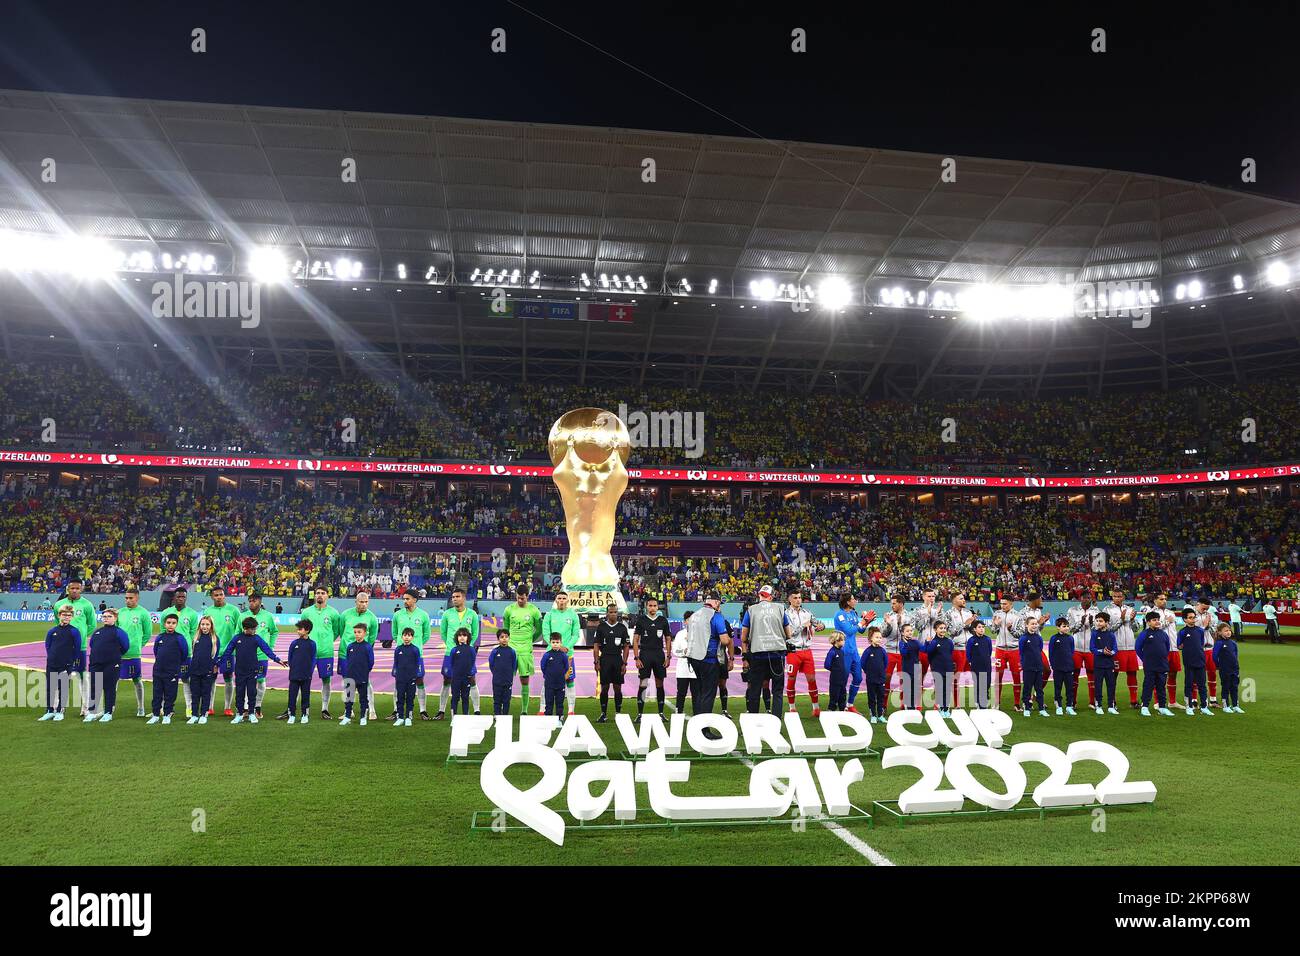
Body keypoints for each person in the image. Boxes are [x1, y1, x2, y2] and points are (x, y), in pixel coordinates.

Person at [683, 593, 732, 735]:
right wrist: (728, 638)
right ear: (716, 602)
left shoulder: (695, 615)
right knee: (708, 694)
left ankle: (697, 725)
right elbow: (724, 640)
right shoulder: (716, 616)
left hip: (694, 658)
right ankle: (704, 730)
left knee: (699, 692)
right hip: (709, 659)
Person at [222, 617, 286, 723]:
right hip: (240, 671)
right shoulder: (237, 638)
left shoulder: (256, 638)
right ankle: (239, 714)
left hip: (252, 670)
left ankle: (251, 713)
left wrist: (278, 660)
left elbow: (267, 650)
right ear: (246, 628)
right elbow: (227, 652)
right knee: (240, 693)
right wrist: (218, 664)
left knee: (252, 692)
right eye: (253, 629)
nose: (255, 631)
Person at [740, 585, 790, 717]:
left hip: (758, 655)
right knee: (777, 692)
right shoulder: (780, 608)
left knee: (755, 691)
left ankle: (752, 722)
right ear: (771, 596)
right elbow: (789, 634)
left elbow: (743, 637)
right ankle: (776, 721)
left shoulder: (751, 610)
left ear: (759, 595)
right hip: (777, 654)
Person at [53, 578, 96, 717]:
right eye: (72, 588)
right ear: (68, 589)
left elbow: (92, 625)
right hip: (63, 647)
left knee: (82, 676)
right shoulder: (59, 604)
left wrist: (80, 638)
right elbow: (57, 623)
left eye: (77, 588)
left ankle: (85, 707)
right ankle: (60, 707)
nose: (74, 591)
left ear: (81, 589)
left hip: (80, 648)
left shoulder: (87, 605)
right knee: (62, 676)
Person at [301, 586, 344, 720]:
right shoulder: (306, 612)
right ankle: (305, 709)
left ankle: (325, 709)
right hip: (308, 653)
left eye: (323, 593)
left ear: (327, 596)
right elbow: (302, 630)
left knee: (326, 680)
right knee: (304, 680)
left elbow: (337, 631)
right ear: (314, 596)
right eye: (317, 593)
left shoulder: (334, 613)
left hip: (326, 652)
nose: (320, 595)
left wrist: (327, 641)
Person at [501, 584, 542, 717]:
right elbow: (505, 629)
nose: (520, 601)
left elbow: (539, 630)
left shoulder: (534, 610)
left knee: (524, 679)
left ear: (527, 597)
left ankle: (524, 710)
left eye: (523, 598)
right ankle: (504, 708)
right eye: (518, 598)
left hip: (525, 650)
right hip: (511, 650)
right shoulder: (508, 610)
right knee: (507, 680)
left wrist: (530, 639)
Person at [832, 593, 876, 714]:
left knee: (858, 677)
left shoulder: (853, 613)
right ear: (847, 602)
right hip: (843, 652)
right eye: (853, 599)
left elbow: (860, 630)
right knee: (843, 680)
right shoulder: (839, 615)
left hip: (853, 651)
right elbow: (849, 630)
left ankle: (850, 704)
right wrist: (862, 621)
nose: (855, 600)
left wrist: (867, 622)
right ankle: (839, 706)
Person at [783, 590, 824, 717]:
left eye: (800, 597)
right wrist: (803, 626)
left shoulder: (807, 613)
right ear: (790, 599)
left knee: (811, 679)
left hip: (807, 650)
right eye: (795, 598)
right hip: (793, 651)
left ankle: (816, 708)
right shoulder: (785, 614)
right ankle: (792, 707)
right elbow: (789, 633)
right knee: (791, 678)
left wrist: (820, 626)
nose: (798, 600)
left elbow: (818, 623)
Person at [114, 586, 153, 718]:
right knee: (114, 680)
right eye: (126, 598)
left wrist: (138, 645)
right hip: (118, 653)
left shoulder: (143, 613)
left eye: (131, 598)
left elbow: (148, 633)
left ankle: (141, 707)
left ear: (137, 598)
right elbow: (115, 631)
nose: (128, 600)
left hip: (134, 653)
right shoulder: (120, 612)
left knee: (137, 680)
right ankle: (110, 707)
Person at [84, 608, 129, 723]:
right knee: (95, 688)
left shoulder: (119, 632)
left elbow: (125, 647)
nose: (106, 619)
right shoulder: (97, 632)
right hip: (96, 664)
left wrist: (113, 656)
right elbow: (92, 644)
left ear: (115, 618)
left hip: (112, 664)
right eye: (104, 616)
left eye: (109, 616)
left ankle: (108, 712)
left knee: (109, 688)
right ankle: (92, 712)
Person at [631, 596, 672, 719]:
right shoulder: (641, 620)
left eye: (655, 606)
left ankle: (661, 713)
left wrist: (668, 656)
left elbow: (668, 638)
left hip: (659, 655)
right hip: (645, 655)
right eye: (650, 606)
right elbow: (636, 639)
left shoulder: (663, 620)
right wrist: (637, 658)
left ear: (657, 607)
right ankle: (640, 714)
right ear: (646, 607)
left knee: (660, 684)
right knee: (643, 683)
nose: (652, 608)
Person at [162, 588, 200, 718]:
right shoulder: (166, 612)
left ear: (186, 598)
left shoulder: (192, 614)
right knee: (166, 680)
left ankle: (189, 708)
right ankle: (165, 707)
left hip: (186, 654)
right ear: (174, 597)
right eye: (178, 596)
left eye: (183, 597)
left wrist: (189, 648)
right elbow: (163, 633)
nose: (181, 599)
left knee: (186, 680)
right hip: (169, 654)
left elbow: (193, 634)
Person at [432, 590, 470, 719]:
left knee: (471, 679)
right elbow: (443, 633)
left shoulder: (472, 615)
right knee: (447, 680)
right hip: (450, 653)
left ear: (464, 598)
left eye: (457, 597)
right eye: (453, 597)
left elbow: (474, 633)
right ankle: (441, 710)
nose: (454, 599)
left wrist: (467, 647)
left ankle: (476, 711)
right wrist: (450, 645)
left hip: (466, 654)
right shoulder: (447, 614)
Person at [543, 591, 582, 717]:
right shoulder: (549, 615)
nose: (561, 600)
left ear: (567, 600)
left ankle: (571, 709)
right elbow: (545, 633)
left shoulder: (573, 615)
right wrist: (556, 646)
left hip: (568, 654)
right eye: (559, 598)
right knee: (548, 681)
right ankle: (542, 708)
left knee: (569, 681)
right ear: (556, 600)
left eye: (564, 598)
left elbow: (576, 634)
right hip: (551, 654)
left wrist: (567, 647)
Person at [205, 586, 243, 717]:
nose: (219, 597)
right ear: (212, 597)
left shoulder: (233, 610)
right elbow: (205, 630)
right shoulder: (208, 611)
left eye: (221, 594)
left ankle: (227, 707)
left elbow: (239, 630)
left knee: (228, 678)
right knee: (211, 679)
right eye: (216, 595)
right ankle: (209, 707)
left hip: (229, 652)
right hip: (212, 652)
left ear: (224, 595)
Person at [39, 604, 80, 722]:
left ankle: (60, 711)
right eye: (64, 615)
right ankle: (49, 710)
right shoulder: (52, 631)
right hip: (51, 663)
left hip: (66, 664)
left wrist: (70, 662)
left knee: (63, 688)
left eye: (69, 615)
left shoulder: (74, 631)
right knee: (50, 688)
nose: (66, 617)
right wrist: (52, 657)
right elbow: (48, 646)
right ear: (59, 615)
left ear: (71, 617)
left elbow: (76, 649)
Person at [1142, 592, 1183, 708]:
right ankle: (1157, 702)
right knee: (1158, 675)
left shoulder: (1170, 613)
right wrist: (1166, 621)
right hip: (1160, 649)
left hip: (1173, 648)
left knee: (1173, 674)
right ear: (1155, 600)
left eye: (1165, 599)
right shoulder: (1151, 613)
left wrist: (1178, 644)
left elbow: (1174, 630)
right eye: (1161, 599)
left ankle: (1172, 701)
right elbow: (1151, 628)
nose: (1164, 601)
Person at [148, 612, 189, 725]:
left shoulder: (179, 638)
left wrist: (175, 665)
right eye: (168, 623)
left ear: (176, 624)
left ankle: (167, 714)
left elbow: (184, 653)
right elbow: (156, 651)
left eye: (173, 623)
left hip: (172, 671)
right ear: (165, 624)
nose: (171, 625)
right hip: (158, 670)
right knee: (157, 694)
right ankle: (156, 715)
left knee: (170, 694)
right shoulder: (160, 637)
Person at [1103, 589, 1140, 709]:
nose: (1117, 598)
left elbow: (1136, 629)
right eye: (1115, 596)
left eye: (1119, 596)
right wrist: (1121, 620)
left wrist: (1133, 620)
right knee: (1113, 675)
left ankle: (1134, 701)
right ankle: (1112, 702)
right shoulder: (1106, 610)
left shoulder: (1129, 609)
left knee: (1132, 673)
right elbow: (1108, 629)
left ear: (1123, 597)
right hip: (1116, 647)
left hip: (1130, 646)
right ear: (1112, 597)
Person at [594, 603, 631, 722]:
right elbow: (596, 646)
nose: (613, 614)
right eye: (611, 612)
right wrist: (596, 662)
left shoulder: (622, 628)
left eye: (615, 612)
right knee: (604, 688)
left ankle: (618, 713)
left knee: (617, 688)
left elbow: (626, 646)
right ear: (607, 613)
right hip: (605, 659)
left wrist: (624, 663)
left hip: (617, 660)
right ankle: (603, 714)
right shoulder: (601, 627)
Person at [1135, 611, 1174, 716]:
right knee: (1148, 686)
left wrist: (1163, 658)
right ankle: (1145, 707)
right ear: (1148, 622)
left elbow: (1167, 647)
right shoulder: (1144, 634)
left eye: (1158, 619)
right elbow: (1138, 648)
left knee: (1161, 686)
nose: (1157, 622)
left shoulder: (1163, 634)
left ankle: (1162, 707)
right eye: (1154, 620)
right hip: (1150, 665)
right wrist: (1146, 659)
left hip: (1162, 665)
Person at [1064, 591, 1099, 709]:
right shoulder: (1072, 610)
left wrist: (1093, 624)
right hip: (1076, 648)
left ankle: (1092, 702)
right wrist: (1081, 623)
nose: (1086, 600)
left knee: (1092, 675)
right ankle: (1072, 702)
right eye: (1084, 598)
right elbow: (1069, 629)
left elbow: (1099, 628)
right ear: (1080, 598)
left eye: (1089, 598)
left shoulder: (1096, 611)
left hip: (1091, 648)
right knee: (1074, 675)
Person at [990, 596, 1024, 710]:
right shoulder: (997, 614)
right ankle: (996, 703)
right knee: (998, 677)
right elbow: (993, 631)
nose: (1002, 606)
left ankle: (1016, 704)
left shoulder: (1018, 616)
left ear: (1011, 604)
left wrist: (1011, 629)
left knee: (1016, 676)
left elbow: (1020, 634)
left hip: (1014, 650)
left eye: (1005, 604)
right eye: (1001, 603)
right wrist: (995, 624)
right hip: (1000, 650)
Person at [339, 624, 376, 727]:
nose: (357, 634)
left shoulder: (367, 647)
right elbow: (348, 660)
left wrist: (364, 671)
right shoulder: (350, 646)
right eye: (355, 632)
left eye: (359, 632)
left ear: (364, 633)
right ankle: (347, 716)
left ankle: (363, 717)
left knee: (363, 698)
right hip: (350, 676)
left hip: (362, 676)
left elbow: (371, 662)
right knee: (349, 697)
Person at [1176, 607, 1211, 716]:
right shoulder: (1182, 632)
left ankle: (1204, 707)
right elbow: (1179, 645)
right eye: (1190, 618)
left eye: (1194, 617)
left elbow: (1200, 644)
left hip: (1200, 661)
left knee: (1202, 685)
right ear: (1185, 620)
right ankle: (1189, 707)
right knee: (1189, 685)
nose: (1193, 619)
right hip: (1189, 662)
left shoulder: (1200, 631)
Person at [187, 615, 220, 726]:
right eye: (202, 624)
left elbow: (215, 655)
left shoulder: (214, 639)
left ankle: (204, 714)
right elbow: (193, 653)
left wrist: (213, 666)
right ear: (199, 625)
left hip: (207, 671)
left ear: (211, 626)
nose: (204, 626)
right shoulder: (196, 637)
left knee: (206, 693)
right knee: (195, 694)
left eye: (207, 624)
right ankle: (194, 715)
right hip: (195, 670)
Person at [944, 593, 974, 705]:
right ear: (954, 601)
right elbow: (951, 632)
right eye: (961, 598)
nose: (964, 600)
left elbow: (971, 630)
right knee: (955, 677)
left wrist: (973, 625)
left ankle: (979, 702)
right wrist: (964, 624)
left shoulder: (968, 612)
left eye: (963, 598)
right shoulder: (948, 614)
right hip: (957, 649)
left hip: (971, 648)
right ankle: (956, 704)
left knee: (977, 674)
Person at [391, 626, 425, 727]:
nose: (407, 637)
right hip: (400, 678)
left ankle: (408, 717)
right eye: (405, 635)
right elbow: (396, 663)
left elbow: (417, 663)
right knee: (400, 697)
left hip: (411, 678)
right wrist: (396, 674)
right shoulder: (398, 649)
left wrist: (415, 676)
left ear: (412, 638)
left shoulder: (415, 650)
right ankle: (400, 717)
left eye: (409, 636)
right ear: (402, 637)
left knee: (410, 698)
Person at [286, 620, 318, 725]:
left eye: (300, 629)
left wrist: (310, 671)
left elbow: (314, 659)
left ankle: (305, 714)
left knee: (305, 695)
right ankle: (292, 715)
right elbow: (290, 658)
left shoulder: (312, 644)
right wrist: (293, 668)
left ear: (307, 630)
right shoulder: (294, 643)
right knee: (292, 696)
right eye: (298, 629)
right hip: (294, 674)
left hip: (306, 675)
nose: (298, 631)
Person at [879, 595, 908, 709]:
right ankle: (883, 704)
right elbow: (883, 634)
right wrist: (888, 624)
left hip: (903, 652)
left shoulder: (909, 616)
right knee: (886, 678)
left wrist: (901, 624)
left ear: (901, 604)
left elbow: (909, 634)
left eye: (894, 603)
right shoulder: (889, 616)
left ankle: (903, 704)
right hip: (889, 652)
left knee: (903, 679)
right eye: (892, 603)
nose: (892, 606)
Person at [923, 619, 956, 716]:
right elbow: (928, 652)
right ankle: (941, 708)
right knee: (940, 689)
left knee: (947, 689)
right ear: (935, 630)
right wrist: (926, 642)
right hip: (937, 669)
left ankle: (946, 709)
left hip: (948, 668)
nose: (943, 630)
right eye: (941, 628)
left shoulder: (949, 642)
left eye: (944, 628)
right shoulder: (933, 642)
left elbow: (950, 653)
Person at [1191, 599, 1221, 704]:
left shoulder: (1210, 615)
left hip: (1210, 649)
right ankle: (1194, 700)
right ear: (1197, 605)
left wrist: (1210, 626)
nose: (1205, 611)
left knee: (1212, 673)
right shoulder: (1192, 616)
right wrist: (1204, 625)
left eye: (1207, 609)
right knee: (1196, 675)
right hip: (1198, 649)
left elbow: (1214, 631)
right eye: (1203, 608)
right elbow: (1193, 632)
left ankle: (1213, 699)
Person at [1089, 612, 1119, 715]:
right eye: (1097, 621)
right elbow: (1092, 649)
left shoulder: (1111, 635)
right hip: (1098, 665)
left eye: (1100, 621)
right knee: (1098, 686)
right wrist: (1102, 651)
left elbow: (1115, 648)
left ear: (1106, 622)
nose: (1098, 623)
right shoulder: (1094, 634)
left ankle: (1111, 706)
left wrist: (1111, 653)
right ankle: (1099, 706)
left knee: (1111, 685)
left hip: (1109, 664)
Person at [1019, 616, 1047, 717]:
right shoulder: (1023, 638)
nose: (1035, 625)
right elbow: (1021, 652)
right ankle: (1027, 708)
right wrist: (1024, 664)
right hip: (1028, 668)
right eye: (1032, 624)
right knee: (1027, 688)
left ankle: (1041, 709)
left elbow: (1039, 650)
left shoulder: (1039, 638)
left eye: (1036, 624)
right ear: (1027, 625)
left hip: (1038, 667)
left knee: (1039, 689)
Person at [1211, 623, 1243, 713]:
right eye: (1226, 631)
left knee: (1234, 687)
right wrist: (1218, 666)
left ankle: (1235, 705)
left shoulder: (1233, 643)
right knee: (1226, 687)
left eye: (1229, 630)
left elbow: (1235, 655)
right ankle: (1226, 706)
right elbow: (1214, 656)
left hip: (1235, 669)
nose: (1228, 632)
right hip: (1225, 669)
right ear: (1220, 633)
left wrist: (1236, 666)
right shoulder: (1219, 643)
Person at [539, 634, 569, 727]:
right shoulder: (547, 655)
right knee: (549, 701)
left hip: (560, 683)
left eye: (557, 642)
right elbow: (543, 667)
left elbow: (566, 667)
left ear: (561, 643)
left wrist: (560, 675)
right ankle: (548, 718)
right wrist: (548, 675)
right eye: (553, 642)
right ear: (550, 643)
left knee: (560, 702)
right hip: (549, 683)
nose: (555, 644)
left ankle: (559, 719)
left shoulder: (563, 655)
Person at [1048, 620, 1076, 716]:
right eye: (1064, 626)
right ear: (1058, 627)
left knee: (1069, 689)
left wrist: (1070, 664)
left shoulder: (1070, 638)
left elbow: (1071, 651)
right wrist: (1053, 665)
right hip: (1058, 668)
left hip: (1068, 667)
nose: (1066, 628)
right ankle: (1059, 706)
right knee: (1058, 688)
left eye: (1067, 626)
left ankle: (1069, 706)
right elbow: (1051, 653)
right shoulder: (1054, 638)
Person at [447, 627, 476, 717]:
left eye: (464, 635)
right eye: (460, 635)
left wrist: (471, 675)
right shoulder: (454, 650)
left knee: (465, 697)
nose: (462, 637)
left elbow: (472, 662)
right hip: (456, 678)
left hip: (466, 678)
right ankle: (454, 716)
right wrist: (453, 675)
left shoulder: (471, 649)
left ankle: (465, 717)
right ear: (457, 637)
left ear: (468, 637)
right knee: (455, 697)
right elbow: (451, 663)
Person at [964, 619, 993, 709]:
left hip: (987, 665)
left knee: (987, 684)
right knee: (979, 684)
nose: (981, 629)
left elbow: (990, 651)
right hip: (976, 666)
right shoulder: (971, 640)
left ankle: (983, 700)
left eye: (983, 627)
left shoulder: (988, 639)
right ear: (974, 629)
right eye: (979, 627)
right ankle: (980, 703)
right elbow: (968, 654)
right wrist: (971, 663)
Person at [863, 628, 889, 722]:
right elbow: (863, 663)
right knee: (872, 697)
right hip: (871, 679)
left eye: (880, 637)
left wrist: (881, 673)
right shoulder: (868, 651)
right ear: (871, 638)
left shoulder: (882, 651)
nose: (879, 639)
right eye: (876, 637)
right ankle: (873, 715)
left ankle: (880, 715)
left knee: (881, 697)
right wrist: (869, 672)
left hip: (881, 679)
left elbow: (886, 663)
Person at [488, 630, 517, 715]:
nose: (504, 639)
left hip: (508, 681)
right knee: (497, 700)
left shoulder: (512, 651)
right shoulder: (495, 651)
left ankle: (505, 716)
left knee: (506, 700)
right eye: (502, 637)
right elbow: (491, 664)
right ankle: (497, 715)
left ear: (509, 638)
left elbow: (514, 665)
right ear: (498, 639)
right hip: (497, 681)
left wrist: (509, 675)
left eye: (506, 637)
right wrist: (496, 673)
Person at [672, 611, 695, 714]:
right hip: (682, 667)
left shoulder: (700, 634)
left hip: (696, 668)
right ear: (685, 621)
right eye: (688, 620)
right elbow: (674, 651)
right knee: (681, 692)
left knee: (696, 693)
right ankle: (679, 711)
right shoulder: (680, 634)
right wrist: (683, 652)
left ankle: (697, 713)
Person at [897, 622, 923, 711]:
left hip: (915, 668)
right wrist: (907, 643)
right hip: (906, 669)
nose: (910, 632)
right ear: (902, 633)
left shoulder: (915, 642)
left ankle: (912, 707)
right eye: (907, 631)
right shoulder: (901, 643)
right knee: (907, 690)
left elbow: (923, 649)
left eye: (911, 630)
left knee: (914, 689)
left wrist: (927, 642)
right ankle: (908, 707)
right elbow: (904, 653)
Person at [824, 633, 847, 713]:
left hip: (842, 678)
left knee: (843, 695)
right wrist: (835, 670)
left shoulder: (841, 651)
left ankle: (842, 709)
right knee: (834, 695)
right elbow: (826, 665)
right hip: (835, 679)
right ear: (837, 641)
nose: (844, 642)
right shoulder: (832, 652)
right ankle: (831, 710)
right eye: (843, 640)